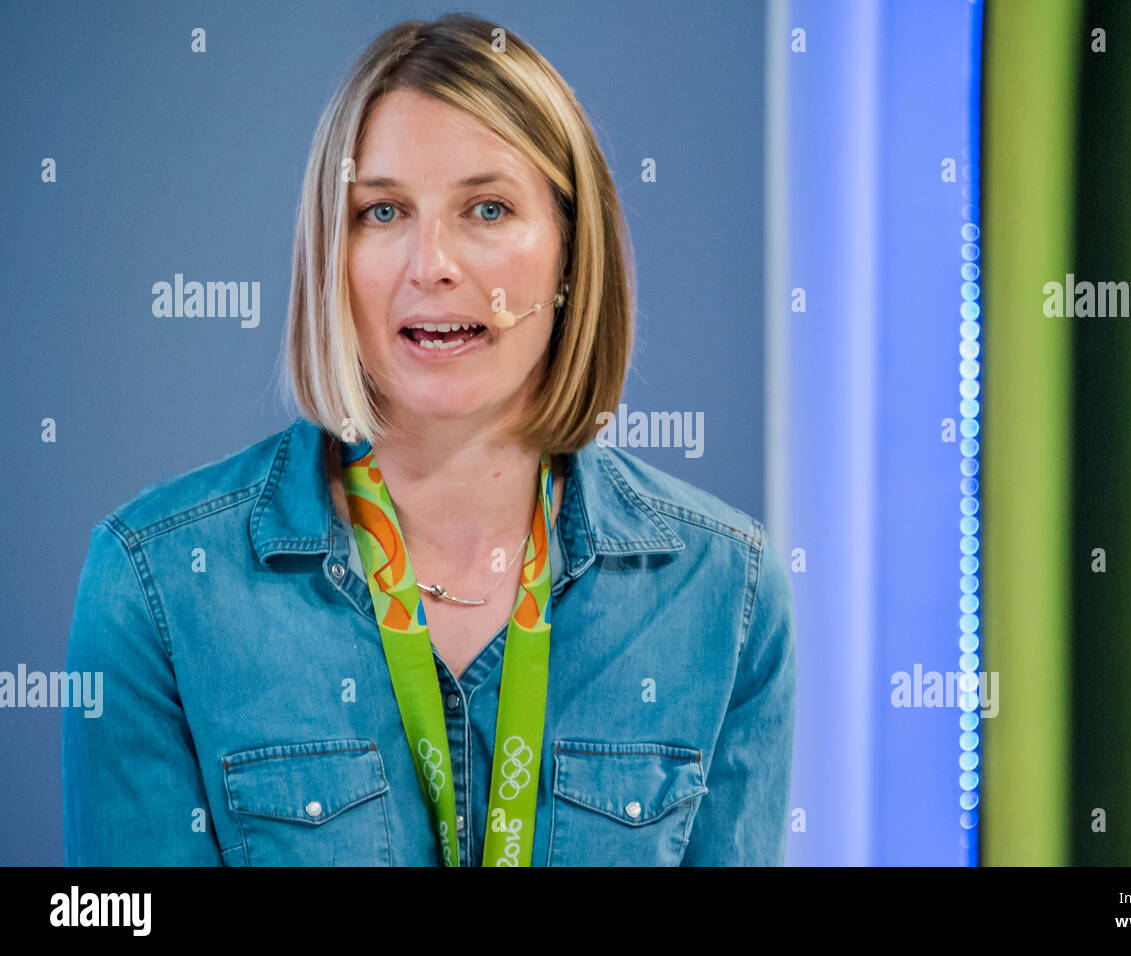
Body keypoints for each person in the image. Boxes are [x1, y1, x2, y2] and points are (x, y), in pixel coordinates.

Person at [62, 13, 795, 867]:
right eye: (382, 211)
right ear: (332, 255)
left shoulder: (725, 589)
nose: (432, 263)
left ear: (568, 251)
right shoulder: (155, 586)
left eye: (488, 208)